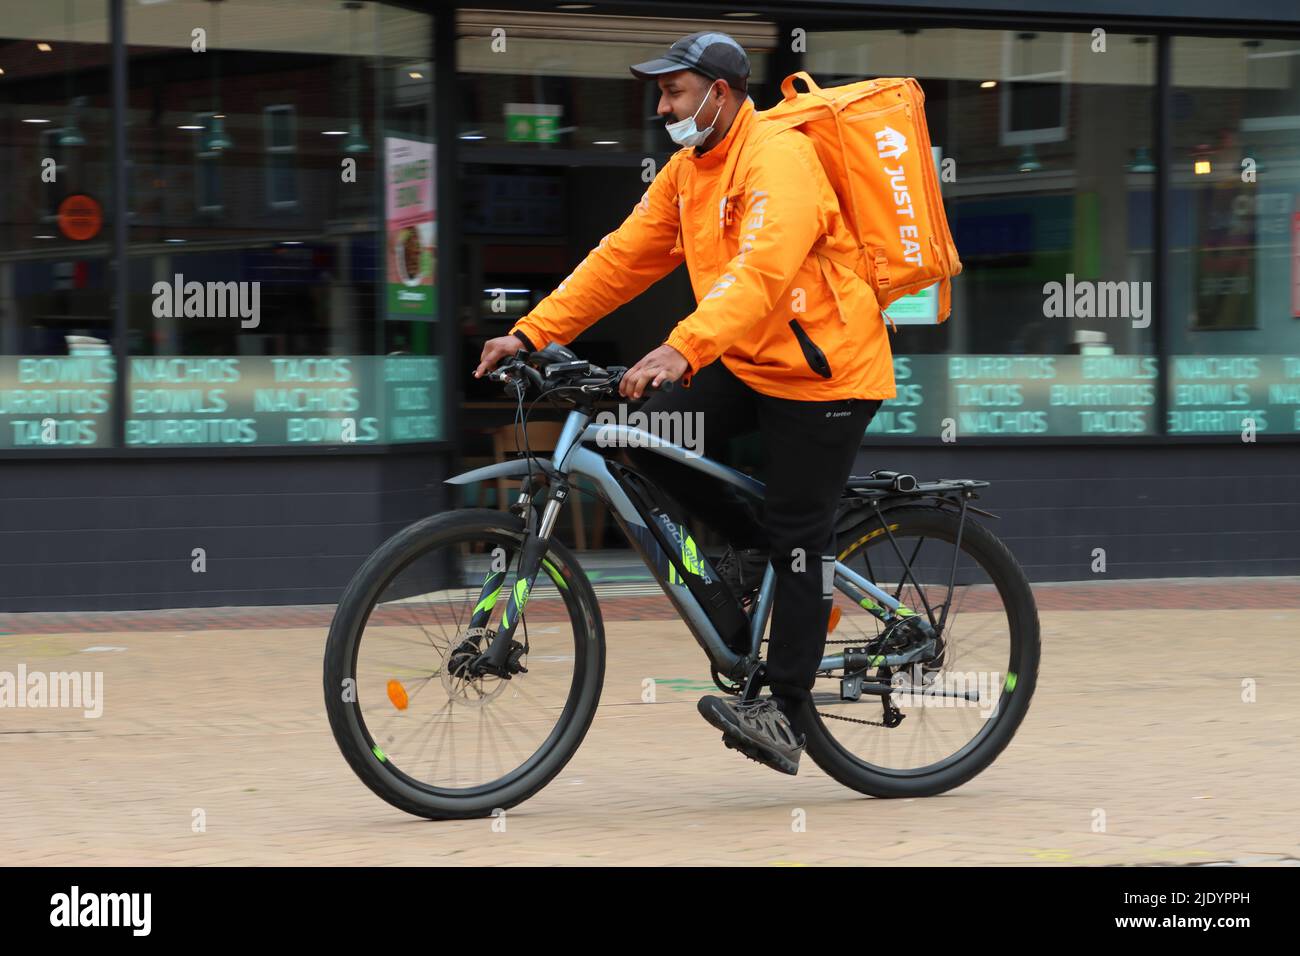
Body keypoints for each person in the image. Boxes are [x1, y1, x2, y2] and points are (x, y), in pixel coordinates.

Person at [475, 32, 895, 775]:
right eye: (661, 92)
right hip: (749, 360)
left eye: (673, 92)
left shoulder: (779, 159)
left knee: (801, 535)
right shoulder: (686, 172)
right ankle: (744, 551)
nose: (661, 105)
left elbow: (762, 274)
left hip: (825, 374)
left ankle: (785, 709)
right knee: (632, 436)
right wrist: (532, 331)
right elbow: (620, 258)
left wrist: (682, 347)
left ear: (720, 93)